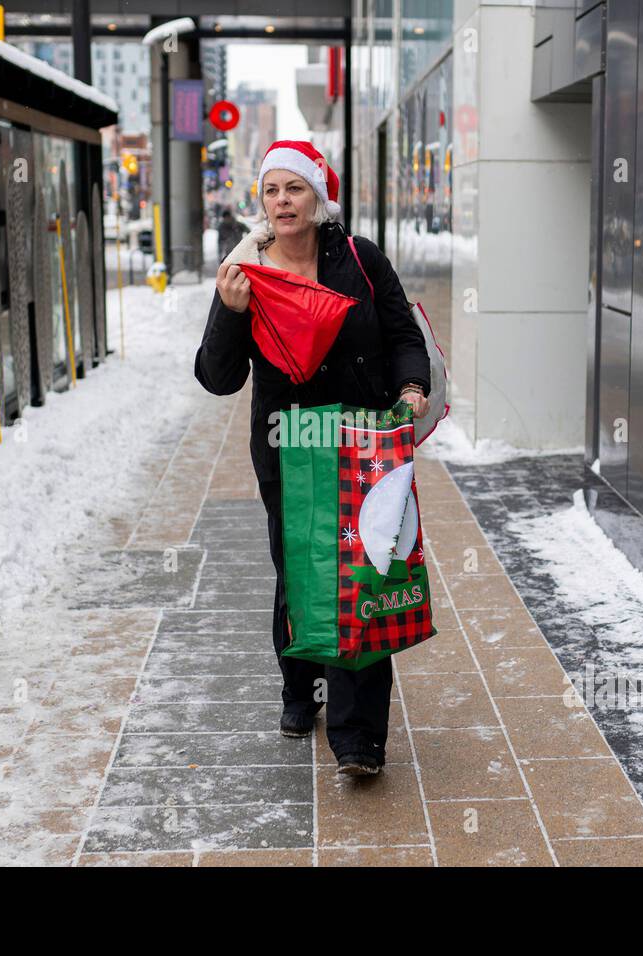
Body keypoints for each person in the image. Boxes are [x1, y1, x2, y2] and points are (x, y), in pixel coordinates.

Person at [194, 140, 431, 777]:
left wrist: (411, 387)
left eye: (293, 189)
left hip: (363, 441)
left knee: (363, 568)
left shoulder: (359, 257)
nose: (281, 201)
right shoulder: (245, 272)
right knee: (301, 566)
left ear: (317, 196)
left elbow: (403, 332)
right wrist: (228, 311)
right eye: (270, 191)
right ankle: (301, 686)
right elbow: (217, 379)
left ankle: (358, 739)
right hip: (290, 447)